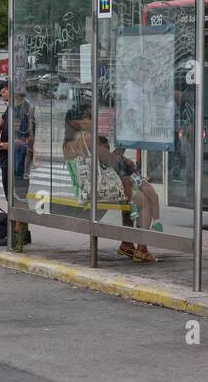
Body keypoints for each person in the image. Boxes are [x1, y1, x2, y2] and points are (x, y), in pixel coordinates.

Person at [61, 103, 160, 263]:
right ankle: (142, 249)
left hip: (82, 188)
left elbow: (101, 161)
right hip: (96, 189)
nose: (92, 120)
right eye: (88, 117)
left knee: (128, 195)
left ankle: (127, 243)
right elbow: (110, 161)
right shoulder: (86, 138)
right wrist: (121, 151)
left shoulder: (68, 142)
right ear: (76, 121)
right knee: (143, 201)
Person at [0, 81, 34, 250]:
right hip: (8, 159)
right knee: (13, 197)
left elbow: (26, 141)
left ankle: (16, 236)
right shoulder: (13, 107)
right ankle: (24, 233)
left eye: (5, 89)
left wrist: (1, 146)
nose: (1, 92)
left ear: (15, 92)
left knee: (17, 198)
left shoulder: (25, 110)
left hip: (19, 161)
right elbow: (3, 117)